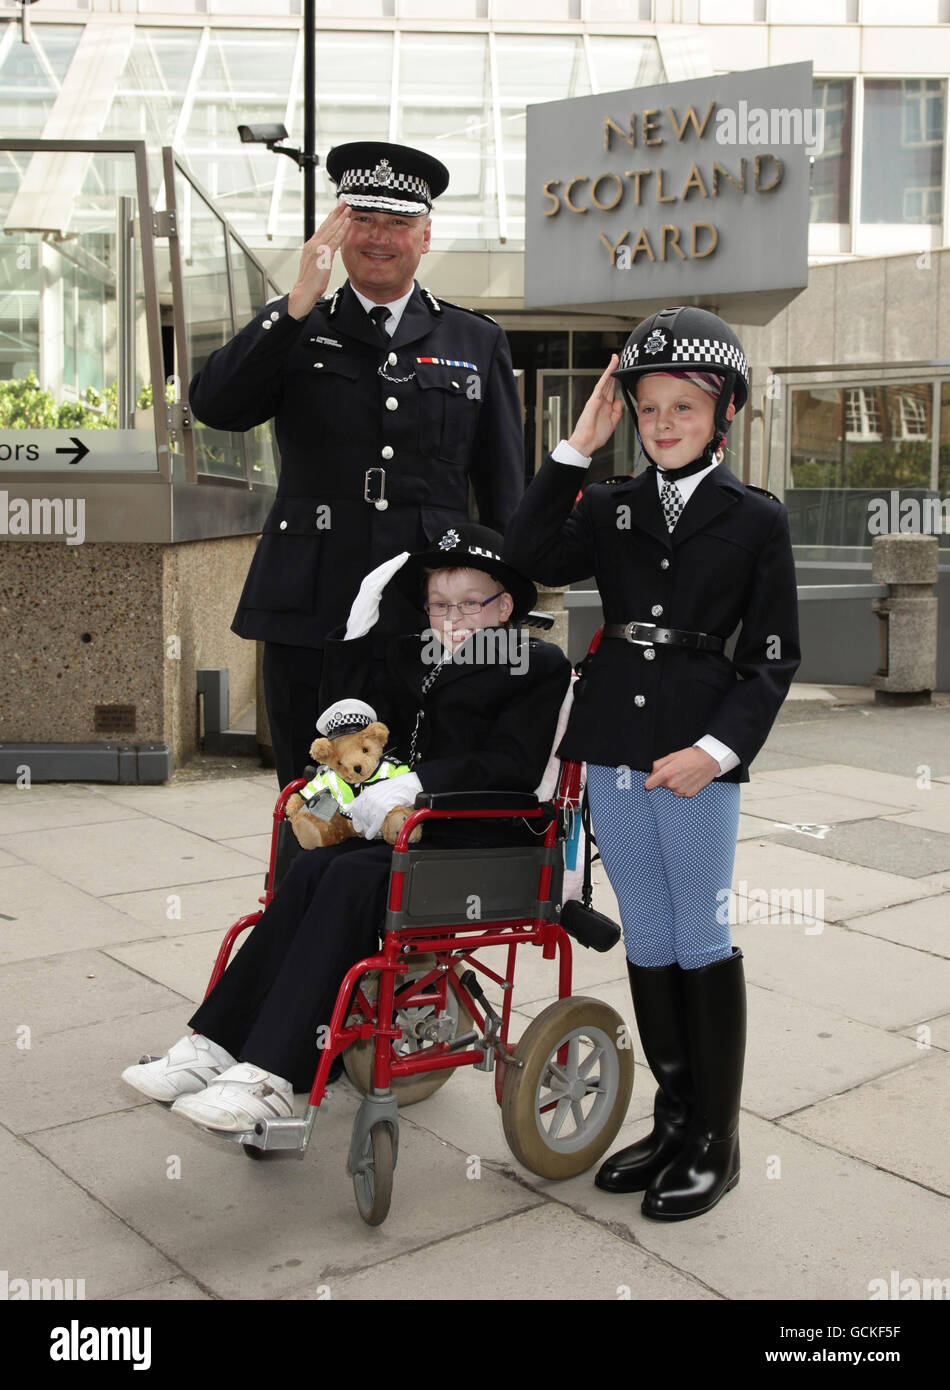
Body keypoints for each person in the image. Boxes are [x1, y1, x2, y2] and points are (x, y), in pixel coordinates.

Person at [503, 306, 801, 1221]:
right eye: (647, 405)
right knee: (653, 932)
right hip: (616, 749)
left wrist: (716, 753)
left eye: (684, 405)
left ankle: (720, 1139)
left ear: (725, 413)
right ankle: (675, 1121)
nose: (664, 422)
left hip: (697, 752)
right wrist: (573, 450)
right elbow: (521, 558)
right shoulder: (608, 503)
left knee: (702, 934)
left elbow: (774, 655)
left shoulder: (755, 518)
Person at [121, 526, 570, 1131]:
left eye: (470, 603)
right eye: (440, 604)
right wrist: (357, 631)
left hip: (479, 831)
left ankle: (277, 1074)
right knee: (309, 868)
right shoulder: (419, 658)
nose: (453, 618)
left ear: (505, 606)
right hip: (404, 831)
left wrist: (416, 784)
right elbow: (346, 722)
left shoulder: (533, 663)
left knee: (350, 878)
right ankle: (220, 1043)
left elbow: (513, 765)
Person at [189, 141, 525, 789]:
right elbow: (216, 405)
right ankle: (307, 892)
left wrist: (505, 604)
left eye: (398, 224)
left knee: (414, 784)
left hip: (427, 609)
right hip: (310, 602)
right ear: (338, 231)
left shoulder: (474, 341)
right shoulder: (300, 326)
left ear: (425, 236)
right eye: (364, 220)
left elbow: (502, 487)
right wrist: (293, 305)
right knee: (311, 787)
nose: (379, 238)